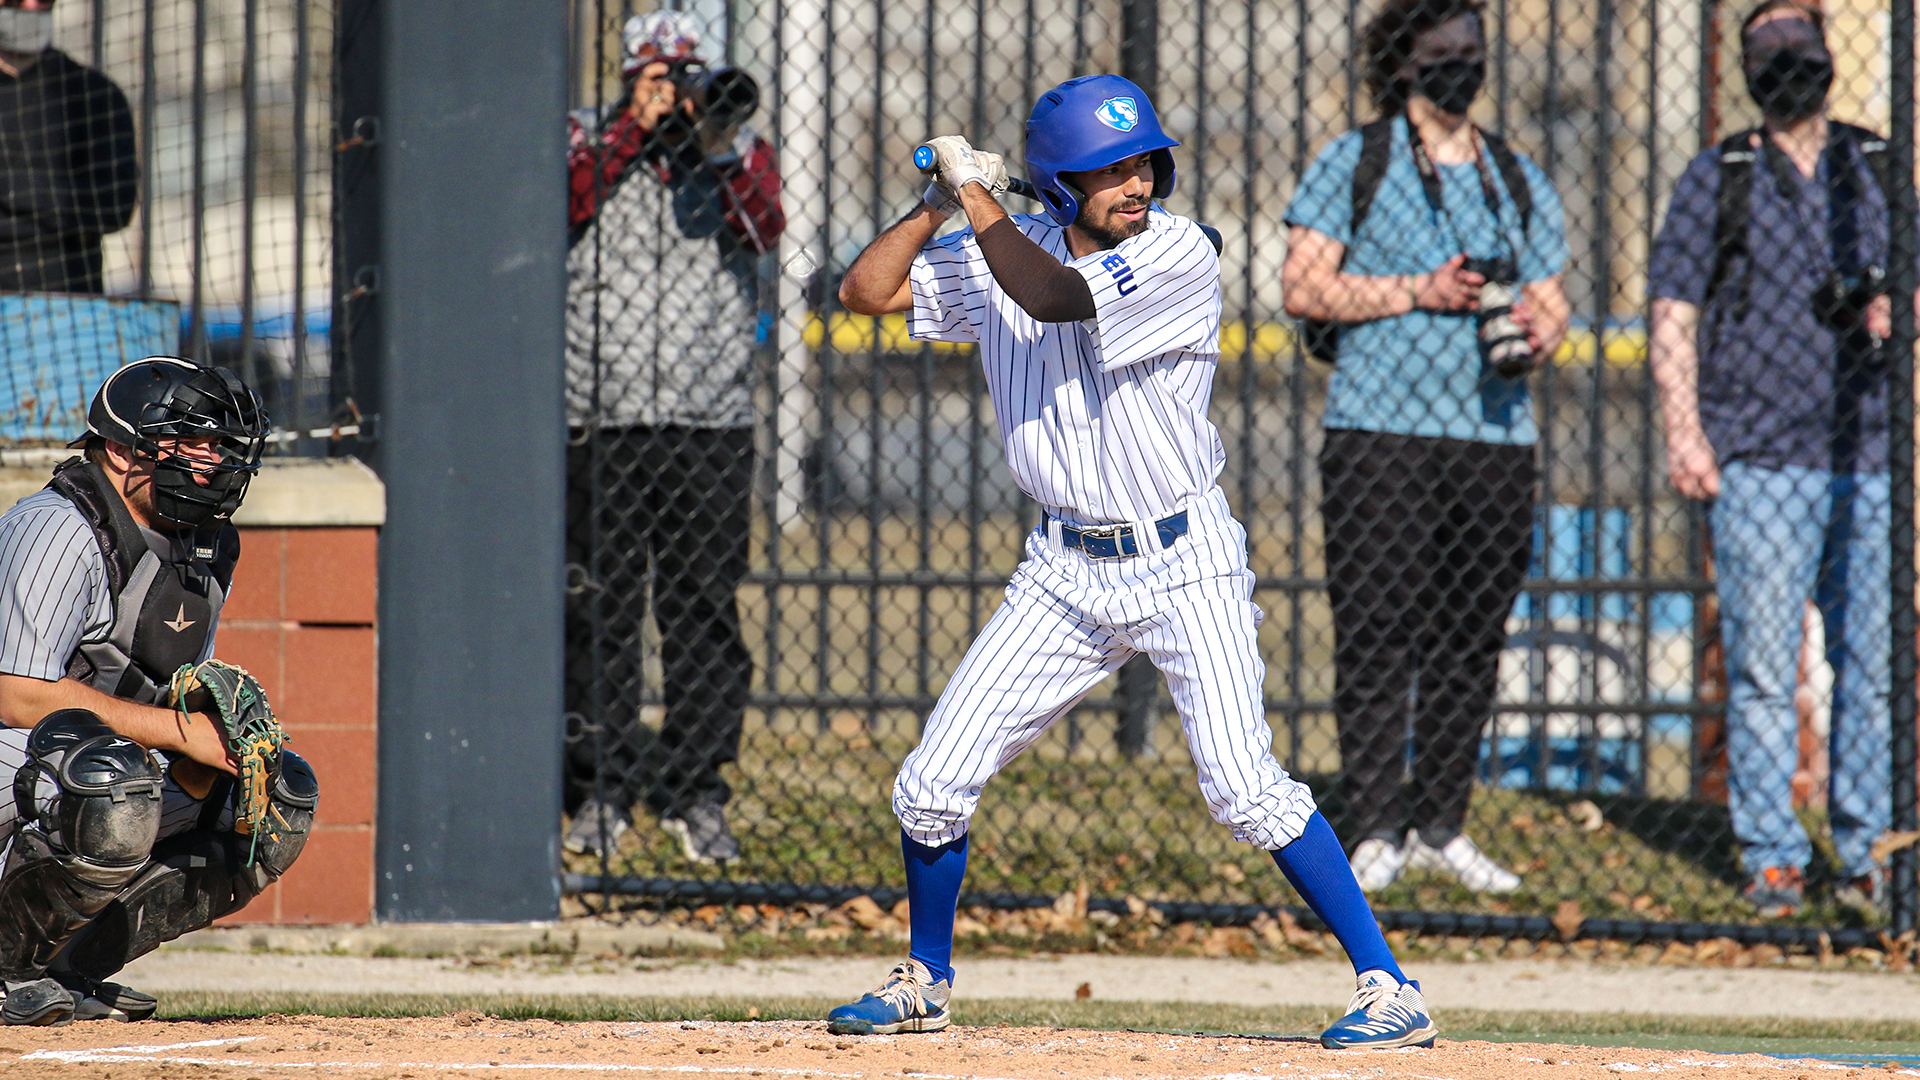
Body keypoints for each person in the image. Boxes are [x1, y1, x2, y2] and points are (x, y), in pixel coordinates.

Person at [825, 75, 1436, 1050]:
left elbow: (1056, 295)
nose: (1133, 183)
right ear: (1058, 186)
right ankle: (924, 979)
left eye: (1141, 161)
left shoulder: (1179, 252)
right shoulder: (997, 255)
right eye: (1104, 171)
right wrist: (938, 200)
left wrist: (981, 200)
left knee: (1243, 786)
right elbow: (864, 291)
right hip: (1064, 571)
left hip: (1181, 558)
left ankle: (1390, 985)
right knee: (931, 784)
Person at [1281, 0, 1570, 897]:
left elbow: (1556, 303)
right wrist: (1421, 290)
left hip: (1493, 437)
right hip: (1377, 433)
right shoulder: (1355, 161)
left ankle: (1443, 822)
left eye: (1471, 52)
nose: (1460, 66)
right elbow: (1302, 286)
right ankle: (1374, 824)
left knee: (1469, 637)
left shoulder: (1516, 177)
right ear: (1404, 62)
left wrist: (1531, 324)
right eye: (1441, 52)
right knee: (1376, 628)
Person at [1649, 0, 1908, 919]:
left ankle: (1873, 850)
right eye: (1770, 52)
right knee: (1762, 669)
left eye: (1802, 48)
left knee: (1872, 670)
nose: (1788, 66)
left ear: (1830, 59)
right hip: (1756, 456)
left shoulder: (1879, 165)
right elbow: (1673, 310)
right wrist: (1687, 431)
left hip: (1873, 456)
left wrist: (1892, 318)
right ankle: (1773, 857)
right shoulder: (1720, 174)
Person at [0, 356, 316, 1026]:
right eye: (188, 441)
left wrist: (207, 756)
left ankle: (59, 969)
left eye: (218, 445)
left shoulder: (203, 546)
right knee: (110, 784)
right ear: (120, 449)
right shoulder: (59, 525)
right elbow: (16, 694)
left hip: (67, 765)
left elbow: (167, 700)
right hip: (21, 750)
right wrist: (175, 735)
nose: (210, 460)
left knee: (272, 797)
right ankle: (5, 974)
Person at [562, 12, 784, 865]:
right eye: (658, 74)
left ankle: (696, 789)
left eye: (687, 72)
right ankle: (602, 788)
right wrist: (634, 131)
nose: (677, 87)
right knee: (600, 611)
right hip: (601, 413)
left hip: (710, 419)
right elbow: (566, 205)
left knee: (701, 611)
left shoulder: (736, 141)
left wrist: (714, 139)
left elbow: (764, 228)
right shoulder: (587, 137)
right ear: (627, 77)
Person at [0, 0, 138, 293]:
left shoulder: (93, 94)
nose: (32, 6)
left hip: (70, 310)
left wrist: (11, 189)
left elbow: (115, 205)